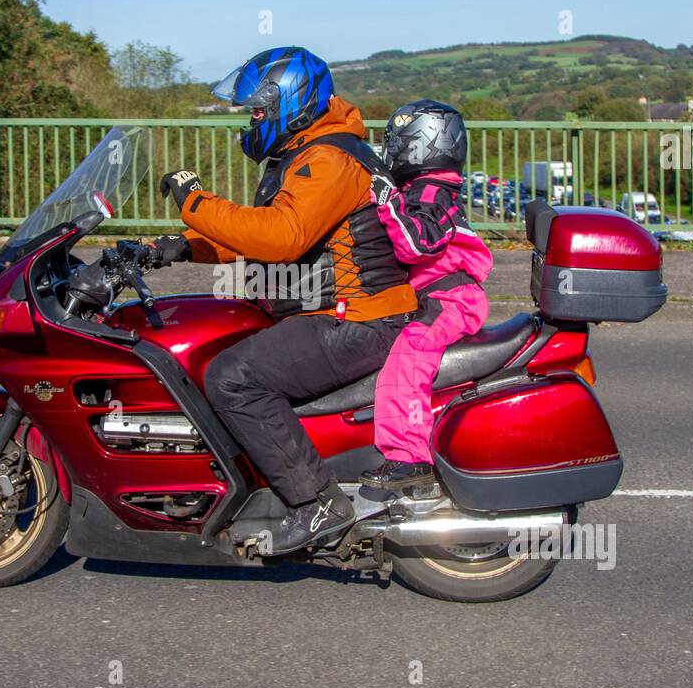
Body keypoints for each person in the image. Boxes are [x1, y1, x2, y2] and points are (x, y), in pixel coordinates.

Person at [148, 47, 417, 553]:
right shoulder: (310, 150)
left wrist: (196, 203)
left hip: (357, 318)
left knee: (233, 377)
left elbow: (284, 236)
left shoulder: (330, 158)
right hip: (339, 313)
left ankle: (316, 505)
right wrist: (178, 246)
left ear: (287, 102)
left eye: (256, 109)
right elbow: (262, 234)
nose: (250, 121)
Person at [360, 100, 493, 492]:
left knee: (408, 358)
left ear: (421, 143)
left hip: (451, 298)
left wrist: (386, 202)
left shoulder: (432, 191)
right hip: (438, 295)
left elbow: (417, 246)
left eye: (396, 142)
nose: (390, 151)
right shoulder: (427, 189)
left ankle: (409, 459)